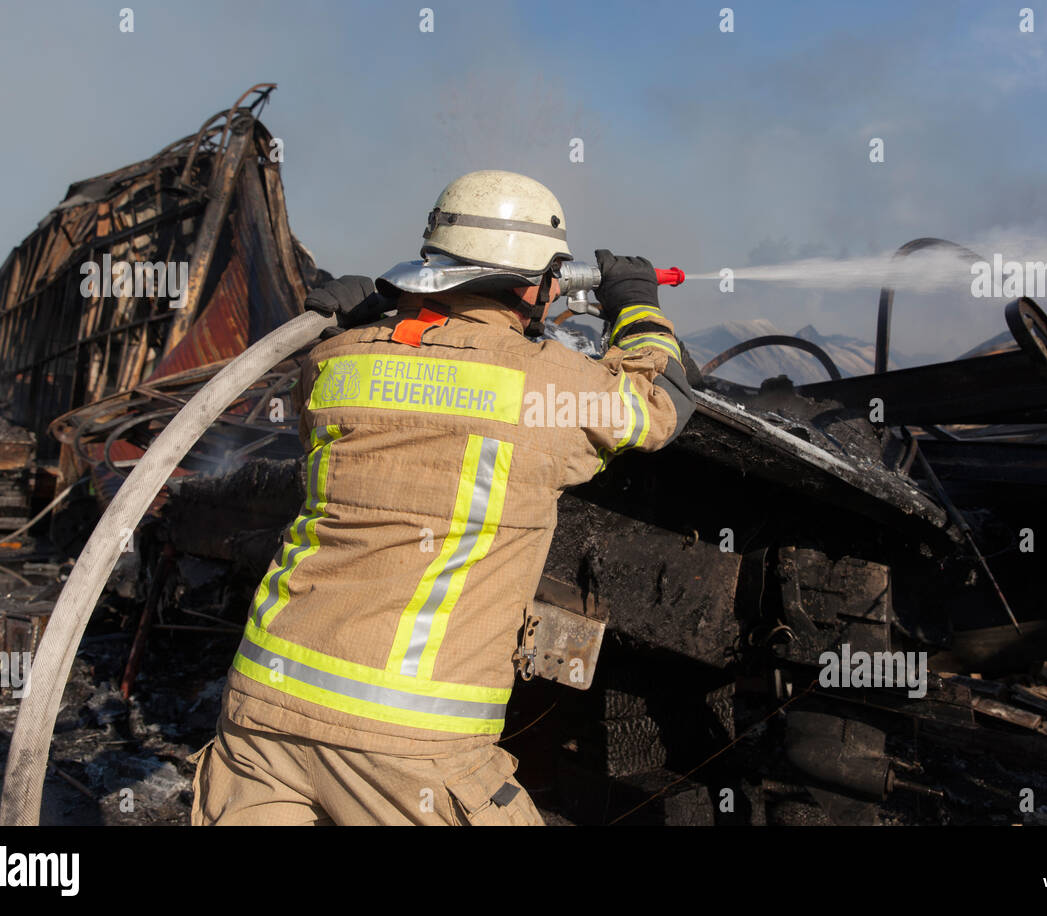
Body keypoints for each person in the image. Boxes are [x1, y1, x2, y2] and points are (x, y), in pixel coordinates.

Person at [191, 170, 695, 825]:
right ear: (536, 284)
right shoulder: (548, 389)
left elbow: (392, 396)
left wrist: (358, 317)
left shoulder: (337, 360)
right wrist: (637, 306)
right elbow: (663, 407)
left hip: (261, 714)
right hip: (409, 742)